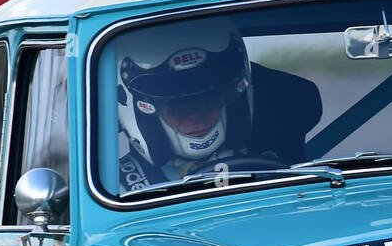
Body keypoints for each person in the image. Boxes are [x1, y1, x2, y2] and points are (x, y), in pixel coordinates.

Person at [115, 17, 320, 193]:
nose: (196, 117)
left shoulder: (279, 158)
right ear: (144, 111)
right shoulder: (115, 190)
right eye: (180, 108)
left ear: (230, 102)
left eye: (207, 101)